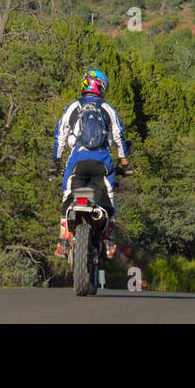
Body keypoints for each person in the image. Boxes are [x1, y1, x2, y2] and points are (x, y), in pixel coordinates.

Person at [50, 71, 128, 256]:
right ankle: (109, 242)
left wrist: (55, 161)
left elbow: (59, 136)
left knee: (68, 197)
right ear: (102, 87)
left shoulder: (73, 107)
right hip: (102, 161)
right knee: (108, 200)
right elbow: (119, 136)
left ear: (84, 84)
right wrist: (125, 163)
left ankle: (63, 241)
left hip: (77, 160)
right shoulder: (108, 109)